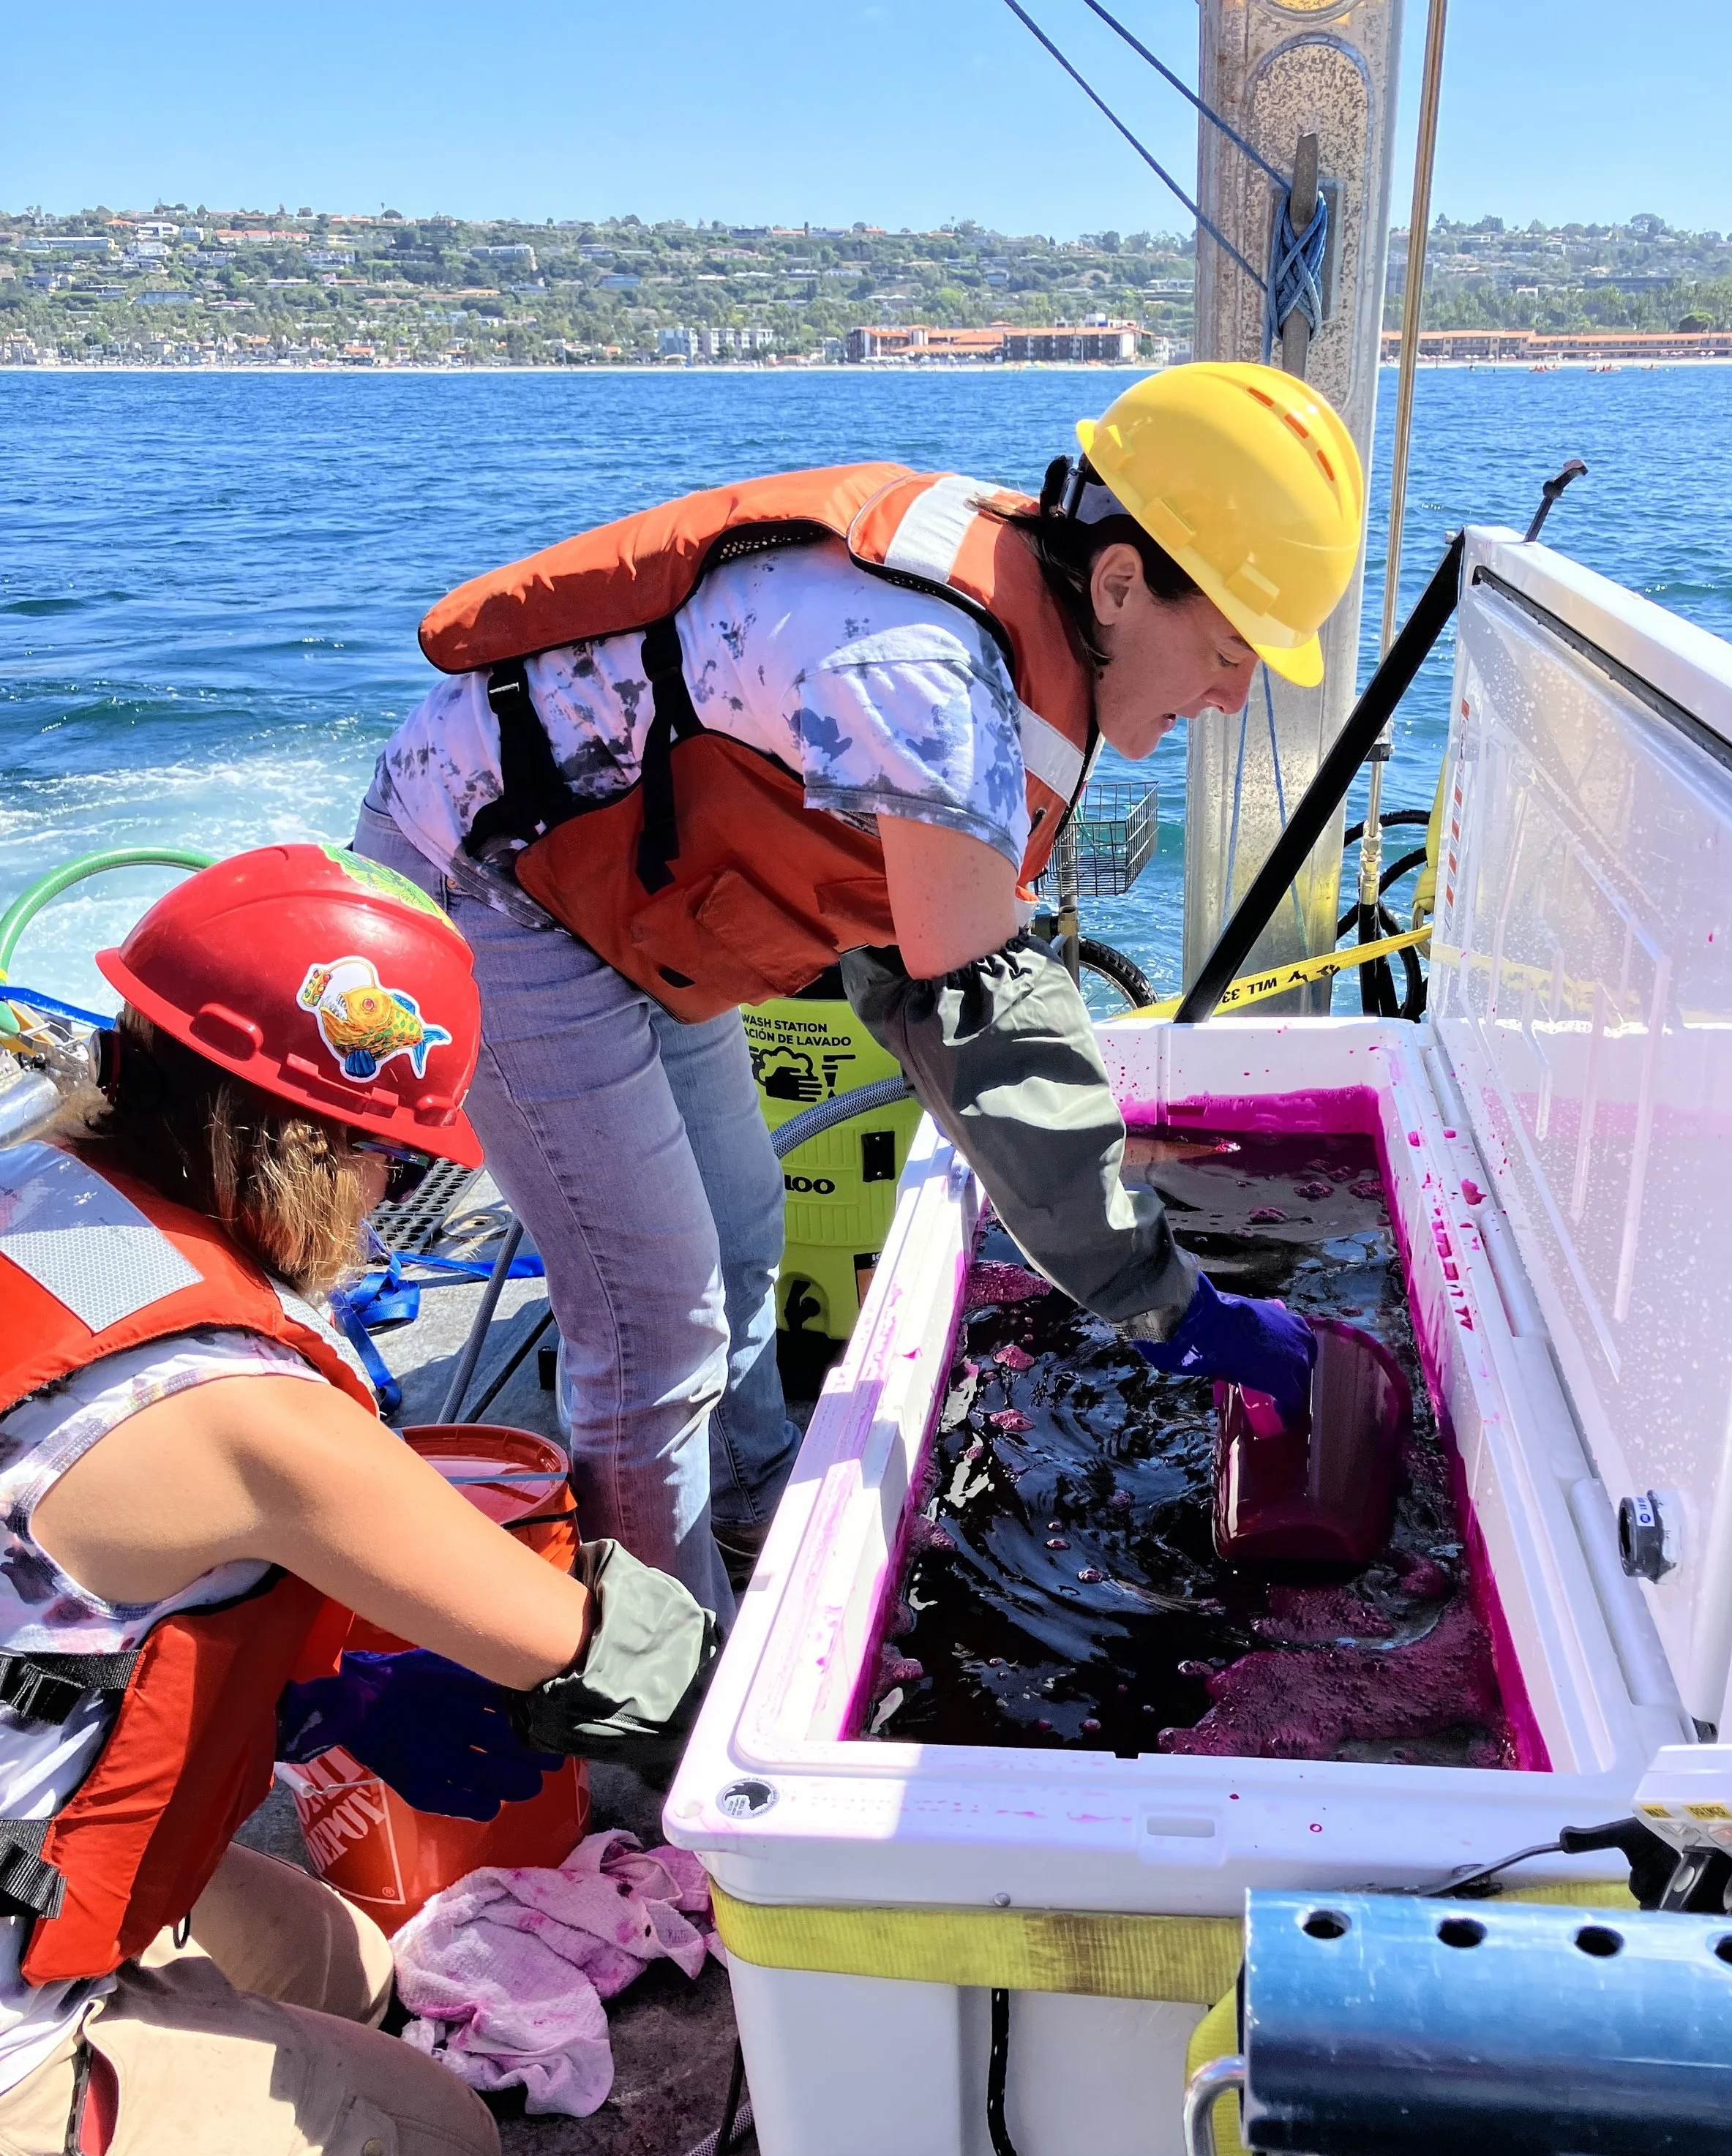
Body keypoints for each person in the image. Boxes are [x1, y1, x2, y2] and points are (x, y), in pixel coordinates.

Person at [352, 363, 1365, 1618]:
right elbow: (985, 1035)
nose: (1234, 696)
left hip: (631, 890)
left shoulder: (1022, 610)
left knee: (741, 1228)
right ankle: (658, 1674)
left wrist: (1103, 1192)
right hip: (496, 876)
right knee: (655, 1320)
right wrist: (1169, 1305)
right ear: (1116, 582)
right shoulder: (924, 685)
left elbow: (936, 963)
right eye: (1226, 649)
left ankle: (748, 1501)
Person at [0, 844, 712, 2156]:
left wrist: (310, 1699)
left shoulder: (38, 1187)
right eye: (388, 1155)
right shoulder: (234, 1407)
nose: (392, 1192)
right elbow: (607, 1657)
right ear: (312, 1148)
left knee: (350, 1968)